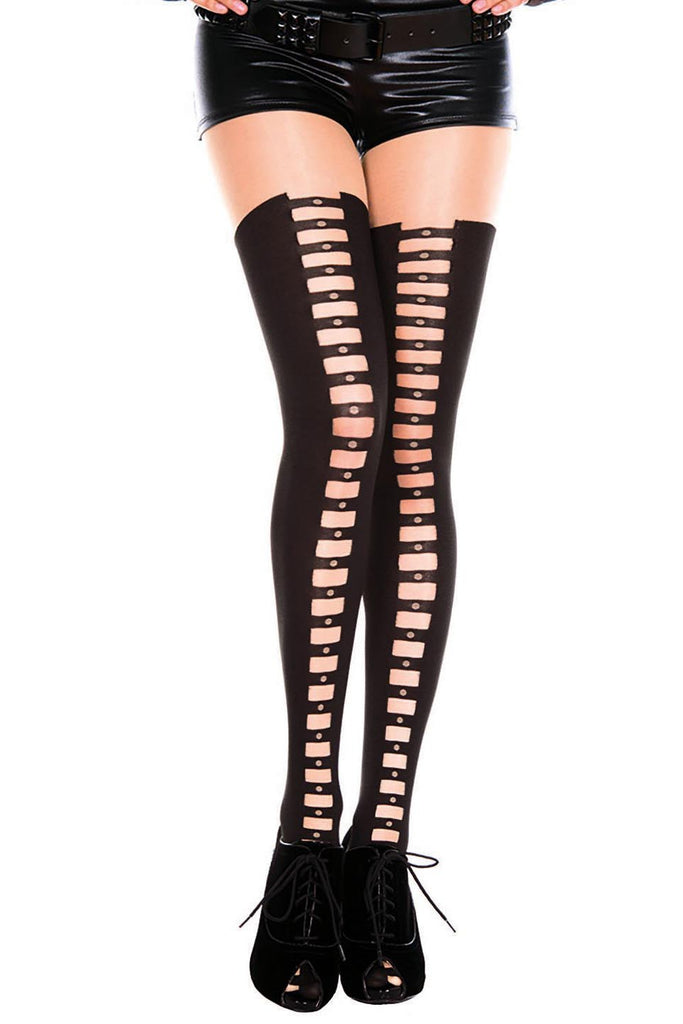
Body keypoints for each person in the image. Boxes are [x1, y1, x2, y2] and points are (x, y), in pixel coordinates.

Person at [163, 0, 561, 1009]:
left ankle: (379, 837)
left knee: (414, 440)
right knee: (348, 414)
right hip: (271, 49)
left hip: (448, 57)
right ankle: (305, 823)